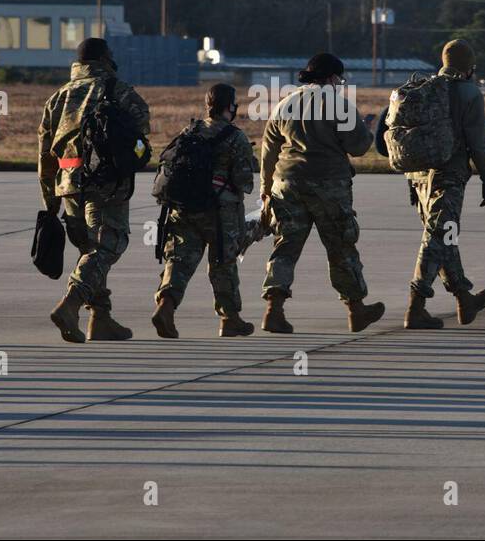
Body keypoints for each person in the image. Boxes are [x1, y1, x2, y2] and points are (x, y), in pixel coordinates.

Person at [259, 53, 384, 333]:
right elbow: (359, 147)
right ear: (330, 77)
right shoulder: (338, 105)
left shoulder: (285, 103)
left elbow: (268, 152)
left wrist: (266, 192)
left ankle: (273, 309)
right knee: (341, 247)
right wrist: (367, 128)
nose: (341, 83)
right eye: (339, 79)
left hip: (287, 183)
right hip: (329, 185)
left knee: (285, 247)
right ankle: (356, 310)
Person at [39, 37, 150, 342]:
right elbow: (141, 131)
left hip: (67, 183)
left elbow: (45, 153)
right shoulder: (118, 90)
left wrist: (50, 200)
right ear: (104, 59)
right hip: (104, 182)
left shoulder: (58, 97)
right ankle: (70, 304)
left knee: (90, 250)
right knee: (109, 245)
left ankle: (100, 318)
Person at [403, 39, 485, 330]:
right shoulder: (469, 92)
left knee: (445, 235)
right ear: (469, 67)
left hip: (418, 176)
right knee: (439, 236)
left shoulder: (425, 89)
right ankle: (415, 306)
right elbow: (477, 142)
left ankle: (463, 296)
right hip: (449, 175)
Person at [152, 83, 257, 338]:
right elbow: (245, 183)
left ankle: (166, 307)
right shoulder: (235, 137)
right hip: (220, 214)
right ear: (230, 107)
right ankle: (229, 318)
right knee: (223, 263)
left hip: (184, 208)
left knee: (179, 260)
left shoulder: (189, 130)